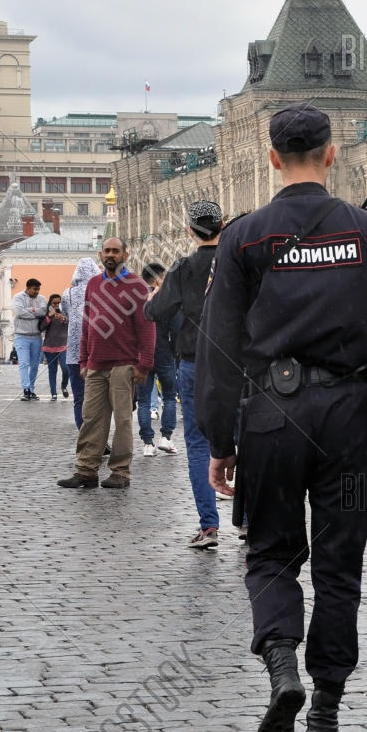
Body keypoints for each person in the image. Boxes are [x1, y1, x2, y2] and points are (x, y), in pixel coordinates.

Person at [196, 101, 367, 732]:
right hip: (349, 424)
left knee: (271, 553)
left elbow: (217, 348)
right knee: (339, 565)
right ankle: (325, 715)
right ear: (331, 154)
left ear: (273, 158)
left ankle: (281, 669)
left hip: (272, 421)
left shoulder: (243, 238)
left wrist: (220, 441)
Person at [146, 200, 224, 549]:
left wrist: (161, 294)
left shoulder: (183, 268)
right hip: (239, 365)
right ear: (223, 225)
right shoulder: (239, 262)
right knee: (246, 440)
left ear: (189, 230)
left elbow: (154, 311)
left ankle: (209, 527)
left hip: (195, 362)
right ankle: (249, 524)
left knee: (198, 443)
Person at [58, 239, 153, 489]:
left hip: (124, 365)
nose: (111, 255)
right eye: (107, 251)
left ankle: (120, 472)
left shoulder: (136, 285)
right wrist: (83, 360)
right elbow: (87, 325)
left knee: (122, 421)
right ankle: (86, 470)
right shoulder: (93, 284)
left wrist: (144, 364)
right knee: (91, 419)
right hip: (95, 365)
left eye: (116, 251)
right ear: (101, 255)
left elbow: (147, 328)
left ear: (125, 255)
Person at [136, 263, 178, 458]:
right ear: (160, 276)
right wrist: (175, 351)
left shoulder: (135, 297)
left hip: (141, 354)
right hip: (164, 352)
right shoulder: (167, 297)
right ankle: (166, 438)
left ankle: (147, 444)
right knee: (169, 396)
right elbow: (176, 327)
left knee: (144, 401)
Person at [62, 257, 101, 427]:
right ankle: (96, 432)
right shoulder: (100, 290)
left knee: (79, 397)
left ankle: (83, 431)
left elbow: (65, 311)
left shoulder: (68, 293)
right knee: (98, 397)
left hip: (74, 353)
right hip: (96, 351)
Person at [12, 278, 47, 400]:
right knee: (24, 363)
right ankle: (26, 389)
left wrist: (30, 311)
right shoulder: (18, 297)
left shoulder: (41, 298)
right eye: (35, 289)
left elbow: (44, 312)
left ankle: (32, 389)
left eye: (38, 289)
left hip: (37, 336)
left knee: (35, 365)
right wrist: (36, 314)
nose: (37, 291)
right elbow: (19, 312)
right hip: (21, 336)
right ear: (28, 288)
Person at [40, 292, 69, 401]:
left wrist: (63, 319)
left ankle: (64, 386)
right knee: (52, 370)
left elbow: (71, 324)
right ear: (50, 304)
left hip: (63, 345)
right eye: (54, 303)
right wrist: (49, 317)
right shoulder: (47, 314)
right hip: (49, 346)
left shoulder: (65, 312)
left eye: (58, 303)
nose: (56, 305)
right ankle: (53, 393)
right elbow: (41, 327)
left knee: (66, 369)